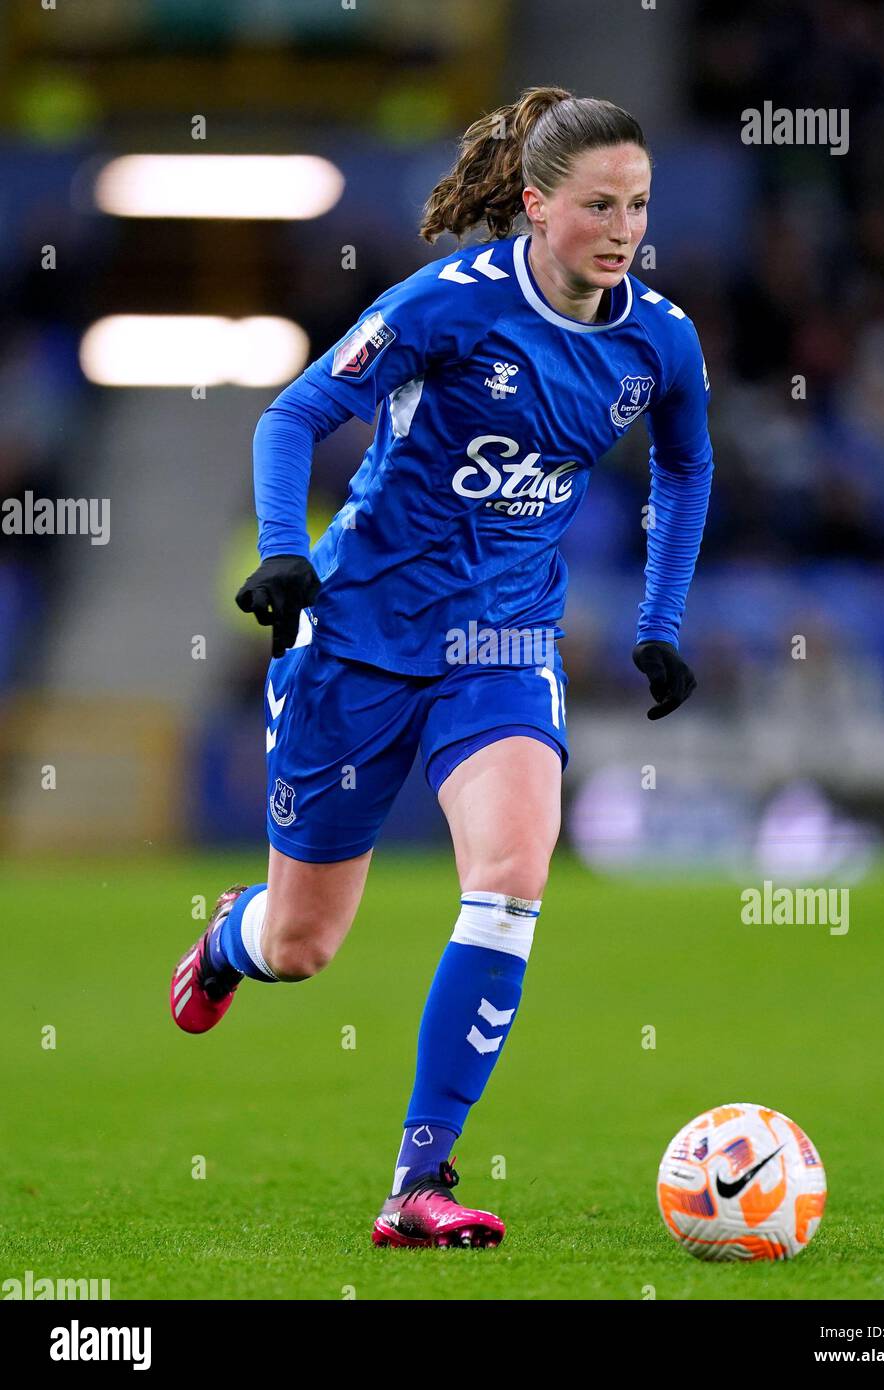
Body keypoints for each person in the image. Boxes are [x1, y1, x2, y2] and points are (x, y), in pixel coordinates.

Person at [169, 85, 713, 1249]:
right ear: (534, 205)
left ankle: (419, 1181)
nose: (625, 231)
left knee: (513, 875)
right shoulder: (447, 306)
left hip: (505, 644)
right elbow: (291, 416)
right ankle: (230, 941)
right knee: (303, 944)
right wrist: (281, 556)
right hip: (358, 638)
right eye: (600, 206)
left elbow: (687, 466)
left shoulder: (658, 337)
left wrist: (661, 619)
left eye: (641, 207)